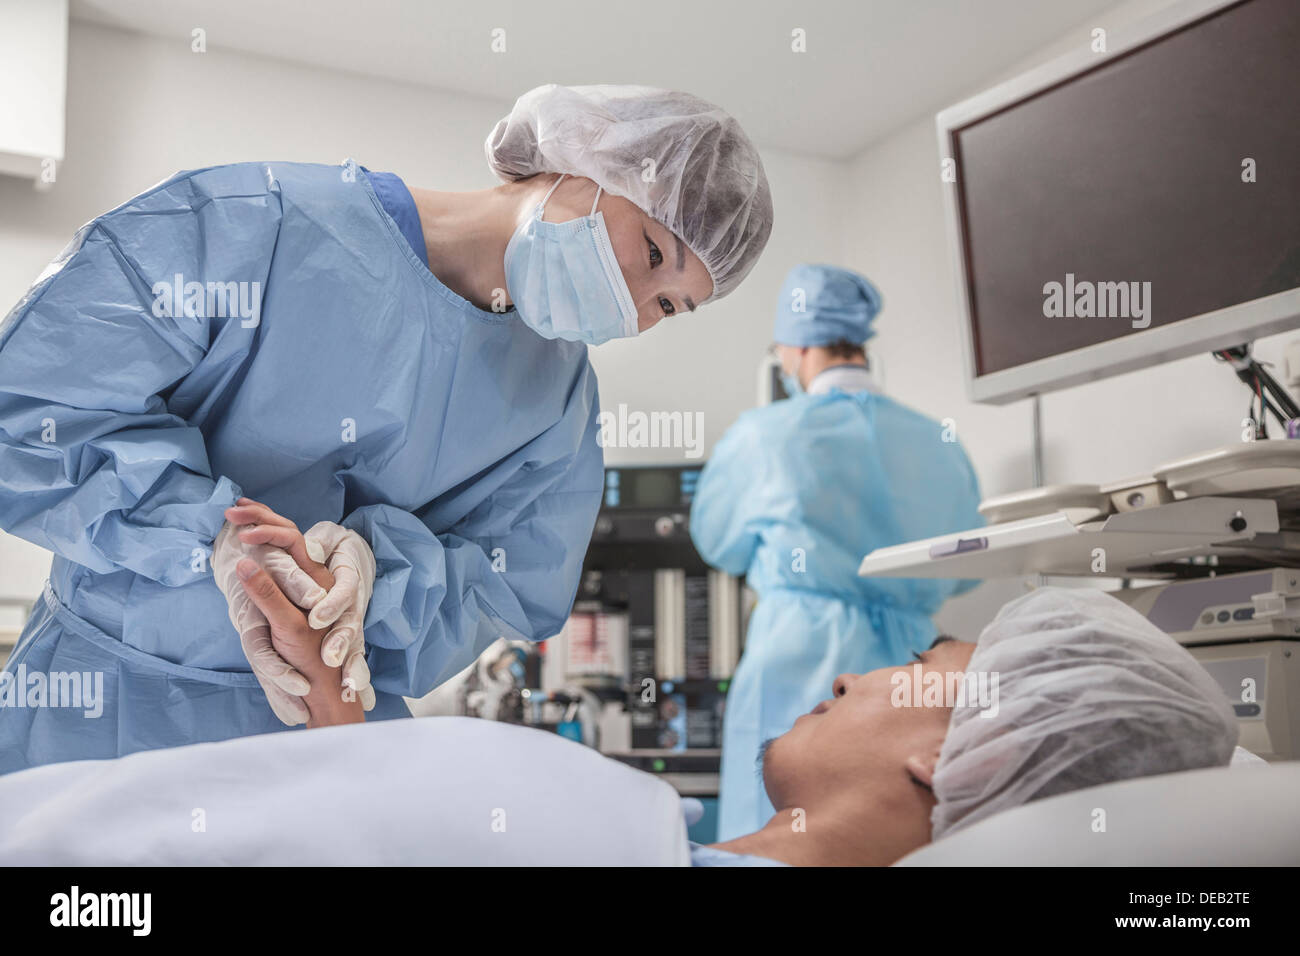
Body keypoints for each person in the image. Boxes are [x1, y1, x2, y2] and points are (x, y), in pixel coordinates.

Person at [0, 83, 773, 773]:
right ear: (582, 159)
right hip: (93, 711)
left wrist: (375, 581)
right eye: (650, 254)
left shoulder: (556, 402)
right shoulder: (255, 224)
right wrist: (210, 537)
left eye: (670, 306)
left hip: (319, 748)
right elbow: (34, 407)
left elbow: (511, 584)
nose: (637, 307)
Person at [210, 581, 1238, 866]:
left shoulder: (603, 825)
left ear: (958, 755)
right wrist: (343, 709)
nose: (847, 674)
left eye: (920, 667)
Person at [690, 263, 984, 840]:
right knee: (894, 830)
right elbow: (967, 569)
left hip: (798, 650)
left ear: (795, 346)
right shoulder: (939, 440)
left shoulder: (763, 434)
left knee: (778, 827)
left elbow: (718, 543)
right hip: (911, 665)